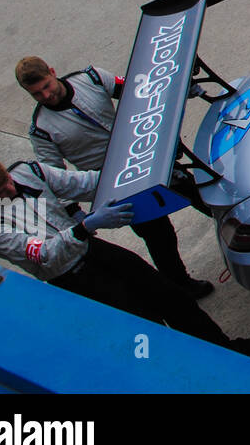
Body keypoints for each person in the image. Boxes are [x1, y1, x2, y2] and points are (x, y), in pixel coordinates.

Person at [0, 150, 250, 357]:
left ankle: (228, 351)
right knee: (148, 330)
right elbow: (45, 256)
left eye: (7, 181)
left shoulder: (28, 172)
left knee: (173, 298)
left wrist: (138, 178)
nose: (10, 188)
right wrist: (84, 227)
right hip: (75, 280)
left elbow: (84, 183)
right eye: (1, 191)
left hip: (97, 251)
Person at [17, 56, 213, 298]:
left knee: (202, 197)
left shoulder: (91, 78)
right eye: (36, 94)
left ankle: (246, 232)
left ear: (52, 71)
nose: (45, 96)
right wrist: (73, 211)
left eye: (46, 86)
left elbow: (139, 92)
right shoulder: (41, 130)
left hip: (149, 157)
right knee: (159, 236)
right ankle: (181, 286)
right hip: (118, 186)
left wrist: (179, 90)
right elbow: (55, 177)